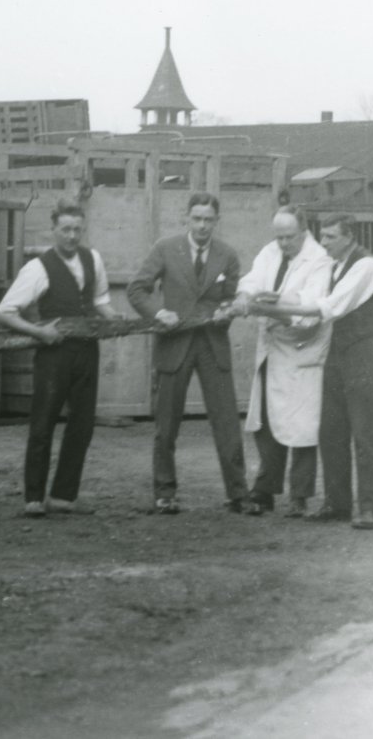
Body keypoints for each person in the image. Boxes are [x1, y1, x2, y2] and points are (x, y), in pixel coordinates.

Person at [251, 213, 373, 530]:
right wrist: (278, 299)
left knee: (364, 437)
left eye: (330, 236)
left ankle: (370, 508)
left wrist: (272, 308)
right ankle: (337, 504)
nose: (323, 242)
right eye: (323, 236)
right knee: (331, 433)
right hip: (336, 356)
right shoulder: (335, 266)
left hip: (365, 357)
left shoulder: (366, 266)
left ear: (349, 237)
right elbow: (309, 298)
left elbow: (328, 307)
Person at [127, 192, 248, 515]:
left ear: (217, 221)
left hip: (212, 344)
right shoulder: (165, 248)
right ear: (186, 218)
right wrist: (158, 313)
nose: (202, 226)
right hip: (175, 344)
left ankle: (238, 493)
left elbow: (232, 297)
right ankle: (164, 493)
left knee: (226, 422)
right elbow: (137, 289)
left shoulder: (228, 255)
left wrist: (228, 311)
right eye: (197, 218)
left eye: (209, 220)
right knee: (166, 424)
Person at [0, 200, 120, 518]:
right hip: (54, 353)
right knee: (43, 423)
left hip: (87, 350)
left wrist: (114, 318)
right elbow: (5, 311)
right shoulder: (38, 267)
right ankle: (34, 497)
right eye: (65, 229)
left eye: (78, 229)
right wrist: (38, 332)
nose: (72, 236)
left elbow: (100, 301)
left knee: (82, 424)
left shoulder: (93, 258)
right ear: (54, 230)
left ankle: (64, 496)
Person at [228, 206, 333, 517]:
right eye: (279, 237)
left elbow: (311, 307)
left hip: (301, 348)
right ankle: (264, 490)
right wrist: (247, 295)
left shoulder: (319, 260)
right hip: (272, 349)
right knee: (266, 421)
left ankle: (299, 496)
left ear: (303, 231)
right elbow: (251, 280)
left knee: (303, 426)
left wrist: (273, 307)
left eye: (289, 237)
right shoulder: (270, 251)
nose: (284, 244)